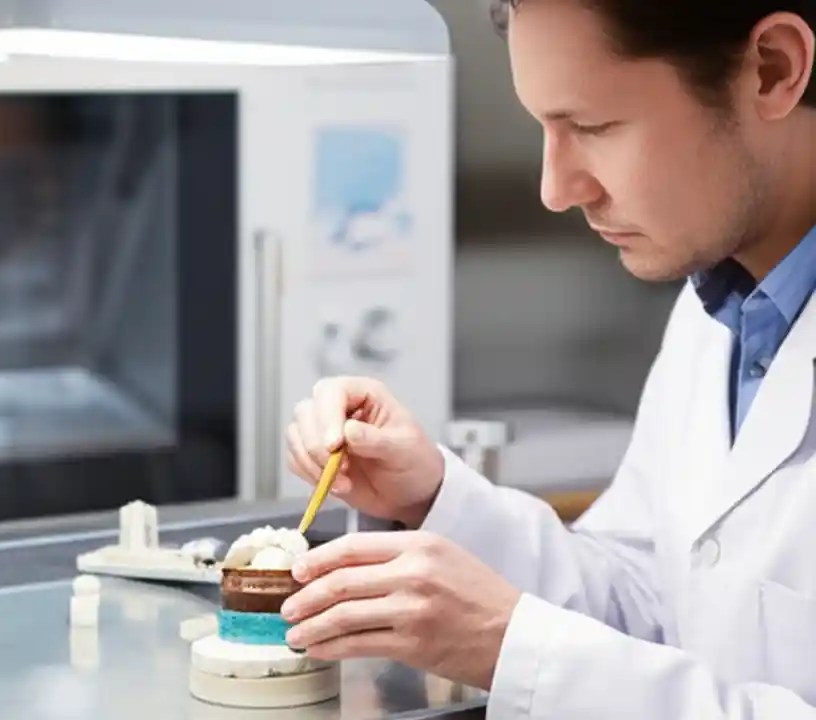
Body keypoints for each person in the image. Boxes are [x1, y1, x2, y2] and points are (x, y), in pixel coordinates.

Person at [278, 1, 816, 717]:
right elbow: (648, 593)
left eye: (593, 128)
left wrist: (514, 647)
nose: (556, 188)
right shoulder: (723, 310)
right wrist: (434, 497)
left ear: (772, 69)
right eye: (544, 128)